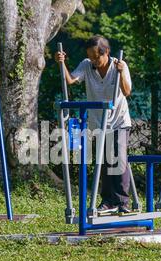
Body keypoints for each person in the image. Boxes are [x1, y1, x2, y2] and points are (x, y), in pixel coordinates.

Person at [55, 35, 133, 215]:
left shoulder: (119, 65)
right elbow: (70, 80)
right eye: (90, 57)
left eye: (96, 57)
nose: (93, 61)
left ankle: (122, 201)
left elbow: (127, 91)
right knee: (103, 162)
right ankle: (107, 201)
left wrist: (121, 73)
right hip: (98, 121)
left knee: (119, 159)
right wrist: (62, 63)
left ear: (106, 53)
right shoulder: (86, 64)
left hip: (119, 120)